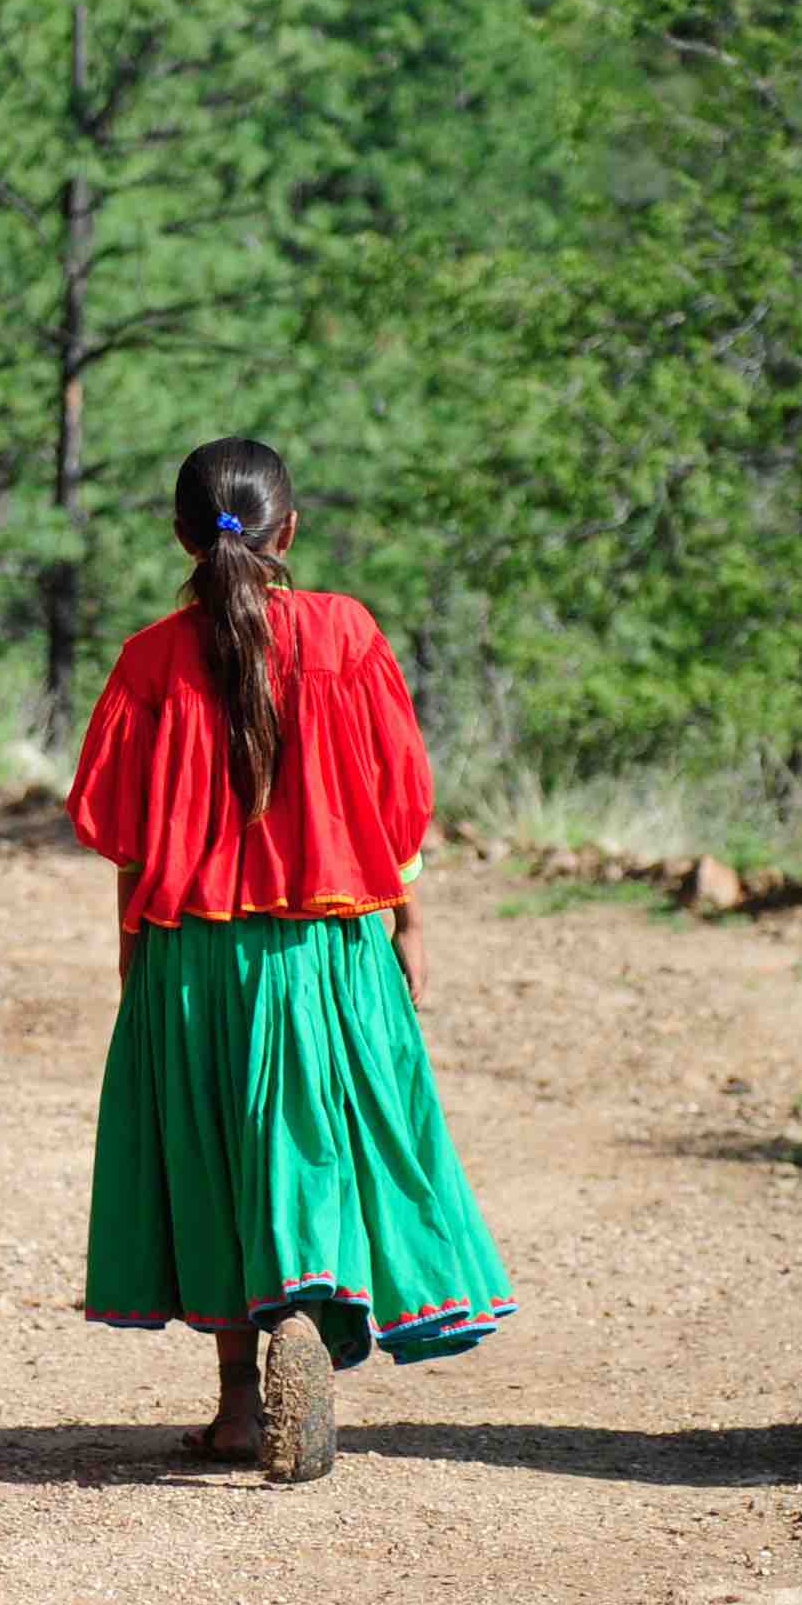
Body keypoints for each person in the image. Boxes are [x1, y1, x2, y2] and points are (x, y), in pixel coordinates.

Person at [67, 438, 513, 1484]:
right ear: (291, 532)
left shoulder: (146, 662)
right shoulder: (346, 635)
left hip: (193, 955)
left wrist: (133, 961)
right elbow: (399, 805)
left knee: (215, 1152)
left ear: (181, 539)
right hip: (328, 938)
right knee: (314, 1138)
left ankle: (234, 1404)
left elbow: (126, 840)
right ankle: (305, 1307)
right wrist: (410, 927)